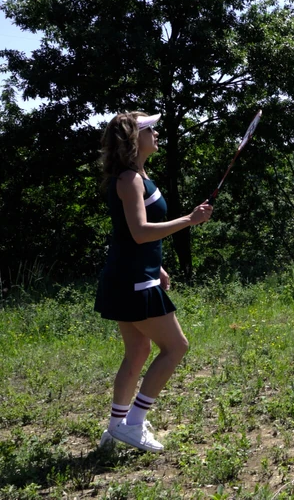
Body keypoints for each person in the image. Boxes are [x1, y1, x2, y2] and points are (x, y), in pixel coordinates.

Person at [94, 111, 213, 451]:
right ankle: (134, 423)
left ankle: (115, 429)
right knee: (176, 347)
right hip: (132, 282)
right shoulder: (129, 179)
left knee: (137, 352)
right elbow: (140, 232)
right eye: (151, 129)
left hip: (133, 275)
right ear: (135, 138)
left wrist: (156, 266)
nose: (158, 133)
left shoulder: (138, 177)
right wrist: (188, 220)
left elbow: (132, 237)